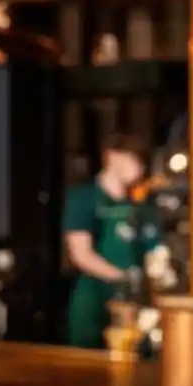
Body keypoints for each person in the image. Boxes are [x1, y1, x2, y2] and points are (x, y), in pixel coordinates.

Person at [62, 133, 161, 349]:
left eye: (143, 162)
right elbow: (81, 254)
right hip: (96, 300)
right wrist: (122, 278)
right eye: (134, 159)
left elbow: (155, 251)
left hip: (136, 302)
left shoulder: (142, 206)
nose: (139, 168)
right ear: (112, 156)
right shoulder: (85, 198)